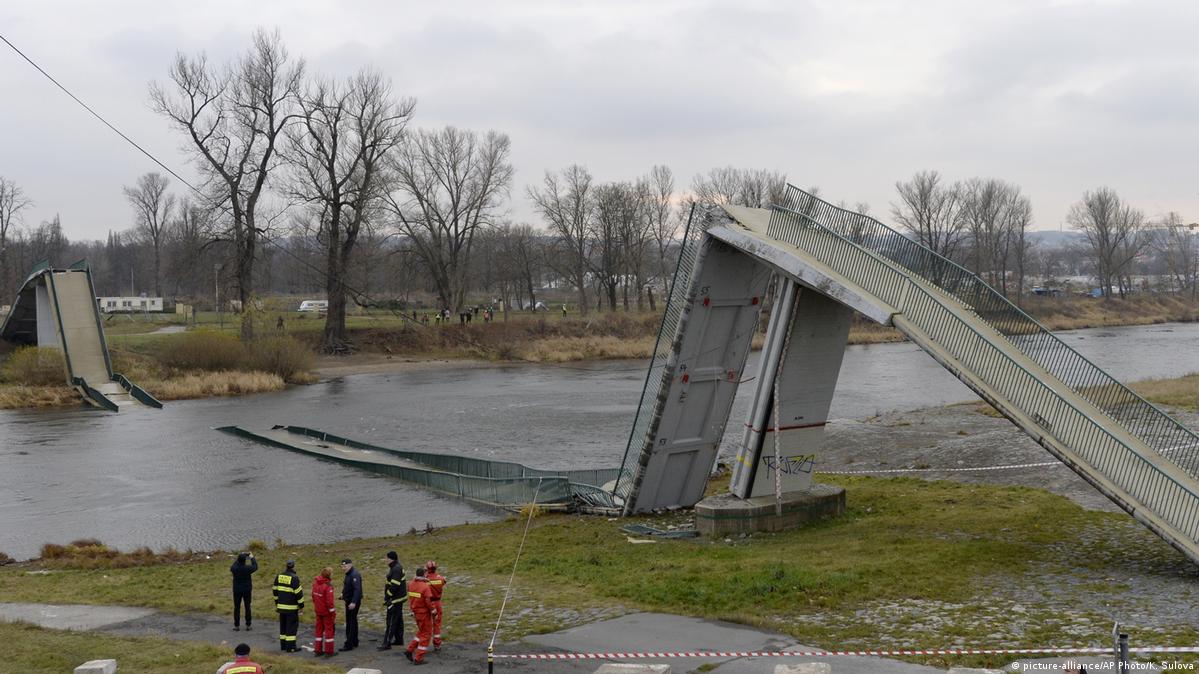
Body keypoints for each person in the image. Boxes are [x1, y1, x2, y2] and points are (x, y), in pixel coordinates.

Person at [405, 566, 435, 664]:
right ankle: (419, 658)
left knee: (421, 632)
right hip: (424, 613)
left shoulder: (411, 584)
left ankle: (410, 650)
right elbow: (428, 601)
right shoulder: (425, 587)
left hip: (415, 612)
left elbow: (411, 598)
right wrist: (433, 610)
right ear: (424, 574)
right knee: (426, 634)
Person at [272, 559, 304, 652]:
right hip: (291, 608)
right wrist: (301, 606)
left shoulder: (279, 576)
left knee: (283, 626)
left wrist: (277, 603)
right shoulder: (294, 578)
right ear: (293, 566)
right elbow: (299, 594)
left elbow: (275, 590)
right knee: (291, 627)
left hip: (281, 607)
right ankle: (291, 647)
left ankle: (283, 646)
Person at [377, 551, 406, 650]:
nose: (385, 560)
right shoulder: (395, 567)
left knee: (391, 621)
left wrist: (388, 596)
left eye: (386, 558)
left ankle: (387, 643)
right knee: (398, 619)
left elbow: (394, 586)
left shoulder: (396, 569)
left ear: (391, 559)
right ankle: (399, 639)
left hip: (395, 599)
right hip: (398, 598)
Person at [311, 566, 337, 657]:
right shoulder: (328, 586)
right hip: (326, 613)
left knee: (318, 631)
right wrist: (333, 613)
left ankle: (318, 650)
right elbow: (330, 602)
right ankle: (329, 651)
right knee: (329, 632)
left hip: (318, 611)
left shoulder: (315, 584)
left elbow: (313, 597)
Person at [230, 551, 257, 632]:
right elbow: (255, 566)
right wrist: (252, 557)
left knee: (237, 608)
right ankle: (248, 625)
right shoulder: (248, 568)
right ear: (245, 561)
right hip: (247, 590)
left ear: (238, 560)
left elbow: (233, 565)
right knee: (247, 607)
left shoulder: (234, 569)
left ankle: (237, 626)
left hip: (237, 590)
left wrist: (240, 556)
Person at [340, 558, 363, 651]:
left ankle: (349, 644)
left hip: (352, 602)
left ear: (350, 565)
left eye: (345, 566)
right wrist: (343, 594)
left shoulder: (354, 575)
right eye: (342, 566)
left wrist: (353, 602)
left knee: (350, 622)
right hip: (349, 600)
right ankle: (354, 641)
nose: (343, 568)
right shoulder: (349, 574)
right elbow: (347, 586)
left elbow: (358, 590)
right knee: (352, 621)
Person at [425, 560, 446, 650]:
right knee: (437, 624)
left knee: (426, 624)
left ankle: (422, 643)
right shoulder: (440, 578)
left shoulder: (425, 578)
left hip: (427, 603)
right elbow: (444, 581)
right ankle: (437, 644)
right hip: (437, 603)